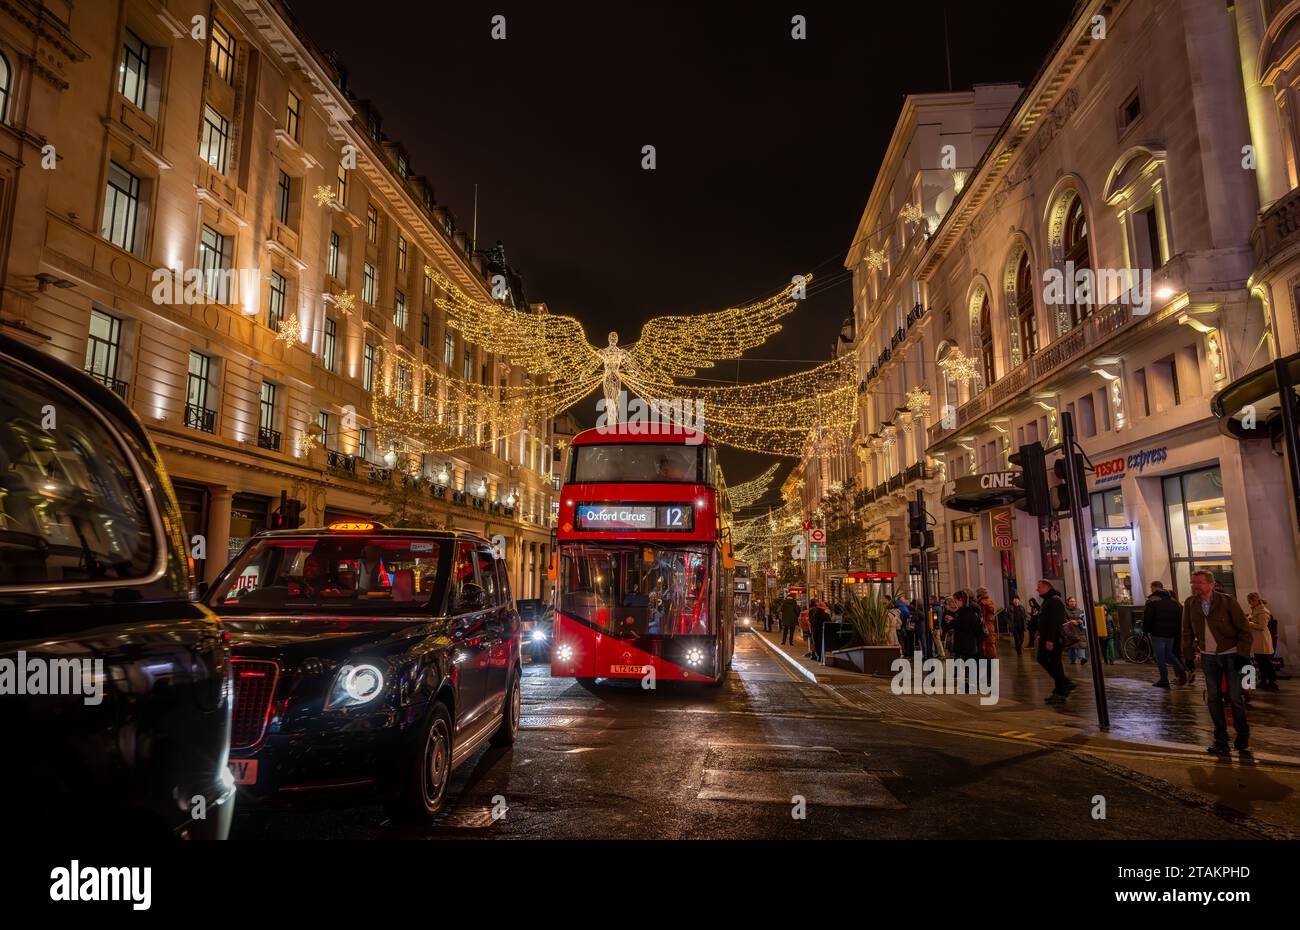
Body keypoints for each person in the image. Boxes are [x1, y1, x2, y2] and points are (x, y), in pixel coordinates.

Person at [1181, 570, 1253, 755]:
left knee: (1236, 698)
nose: (1196, 586)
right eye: (1193, 583)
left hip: (1231, 654)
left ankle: (1242, 735)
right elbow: (1186, 631)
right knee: (1213, 698)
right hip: (1208, 656)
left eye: (1200, 583)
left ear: (1211, 584)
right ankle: (1221, 740)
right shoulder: (1190, 603)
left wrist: (1243, 654)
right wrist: (1188, 656)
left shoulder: (1227, 601)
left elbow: (1244, 629)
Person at [1036, 579, 1073, 703]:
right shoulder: (1048, 601)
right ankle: (1063, 685)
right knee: (1048, 661)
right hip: (1047, 638)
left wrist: (1050, 639)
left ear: (1047, 587)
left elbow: (1055, 622)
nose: (1037, 589)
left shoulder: (1055, 601)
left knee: (1053, 662)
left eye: (1039, 587)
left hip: (1054, 639)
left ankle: (1062, 688)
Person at [1144, 580, 1186, 688]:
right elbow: (1179, 617)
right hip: (1171, 633)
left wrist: (1146, 630)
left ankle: (1164, 680)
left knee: (1160, 658)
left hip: (1158, 633)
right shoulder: (1173, 600)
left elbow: (1148, 618)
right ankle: (1183, 670)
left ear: (1153, 588)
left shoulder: (1152, 600)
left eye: (1151, 587)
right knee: (1169, 654)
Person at [1246, 593, 1279, 692]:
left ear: (1256, 600)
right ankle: (1264, 680)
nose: (1249, 603)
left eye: (1251, 601)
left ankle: (1272, 680)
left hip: (1262, 640)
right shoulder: (1256, 610)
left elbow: (1262, 627)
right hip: (1257, 640)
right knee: (1260, 662)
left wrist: (1248, 622)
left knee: (1266, 662)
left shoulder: (1263, 612)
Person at [950, 590, 985, 661]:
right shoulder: (967, 611)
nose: (954, 603)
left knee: (967, 668)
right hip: (968, 646)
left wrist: (952, 621)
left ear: (961, 600)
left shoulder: (967, 611)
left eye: (955, 601)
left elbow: (964, 626)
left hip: (966, 646)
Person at [975, 587, 998, 659]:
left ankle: (989, 662)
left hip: (985, 626)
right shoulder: (989, 602)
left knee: (986, 645)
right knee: (990, 643)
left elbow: (981, 616)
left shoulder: (982, 603)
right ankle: (992, 659)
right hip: (990, 626)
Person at [1064, 596, 1087, 665]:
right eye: (1071, 601)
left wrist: (1081, 620)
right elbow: (1063, 619)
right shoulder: (1065, 611)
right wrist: (1071, 621)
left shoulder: (1079, 610)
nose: (1072, 602)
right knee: (1071, 645)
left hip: (1079, 630)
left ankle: (1082, 658)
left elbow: (1083, 618)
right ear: (1068, 602)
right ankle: (1072, 660)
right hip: (1070, 630)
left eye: (1074, 601)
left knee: (1081, 644)